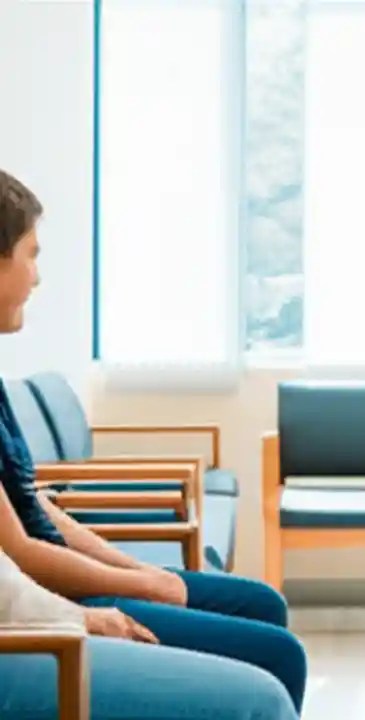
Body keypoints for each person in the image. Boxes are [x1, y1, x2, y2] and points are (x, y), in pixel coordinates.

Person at [0, 169, 306, 713]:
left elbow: (34, 507)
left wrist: (137, 570)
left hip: (51, 590)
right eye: (31, 253)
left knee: (264, 610)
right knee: (277, 656)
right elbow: (21, 552)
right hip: (47, 602)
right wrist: (131, 590)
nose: (39, 277)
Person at [0, 548, 298, 719]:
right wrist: (77, 616)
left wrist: (144, 573)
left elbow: (41, 514)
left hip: (33, 610)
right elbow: (20, 546)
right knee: (266, 697)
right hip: (30, 628)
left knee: (268, 616)